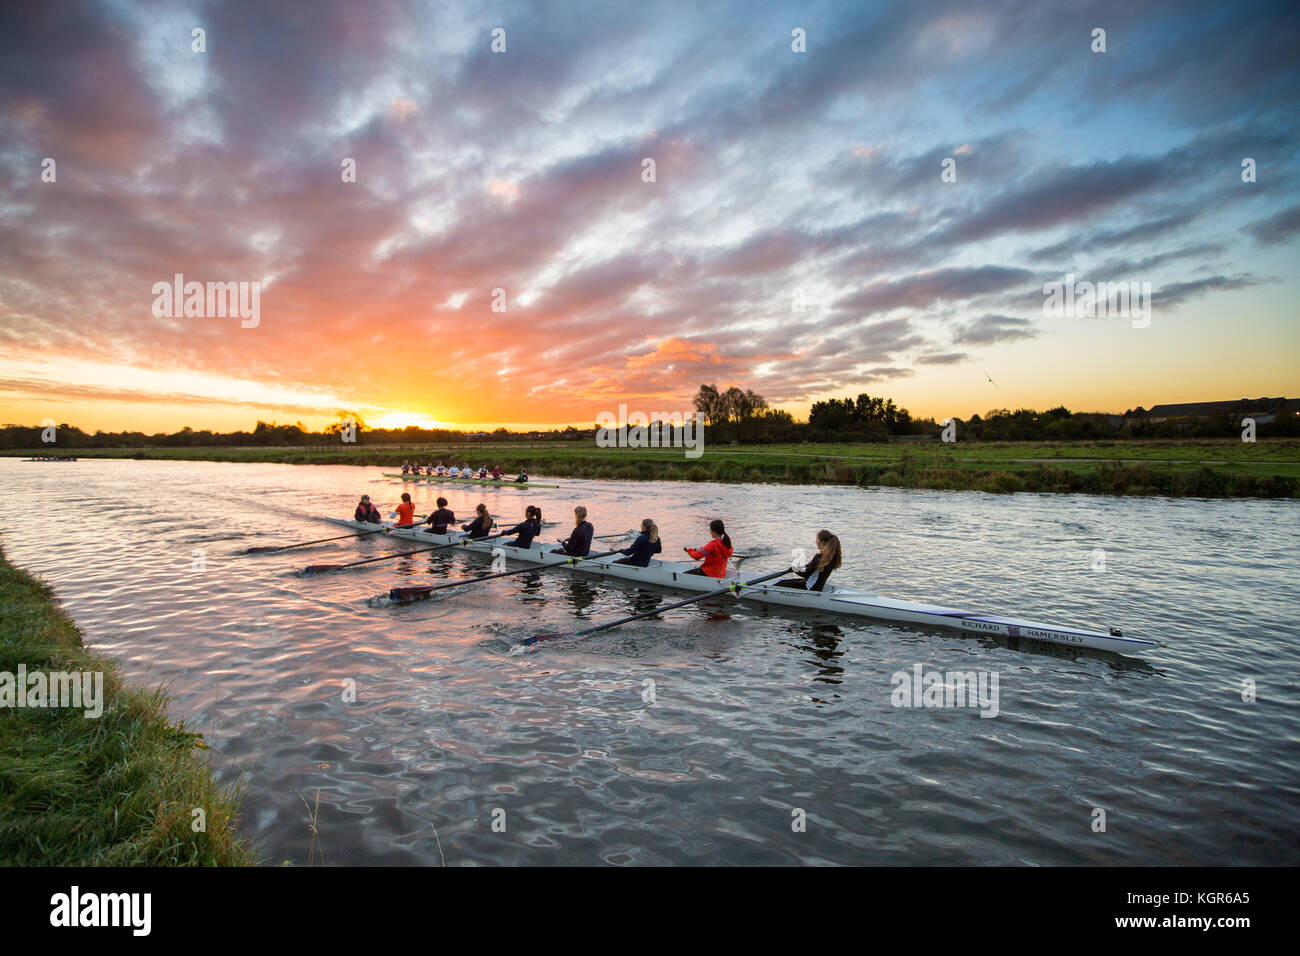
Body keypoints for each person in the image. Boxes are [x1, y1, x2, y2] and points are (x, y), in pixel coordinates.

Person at [776, 531, 842, 591]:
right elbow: (810, 568)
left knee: (779, 584)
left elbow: (806, 573)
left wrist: (793, 569)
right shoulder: (833, 558)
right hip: (817, 588)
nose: (815, 542)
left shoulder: (819, 557)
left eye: (817, 540)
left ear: (822, 543)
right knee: (784, 582)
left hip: (809, 587)